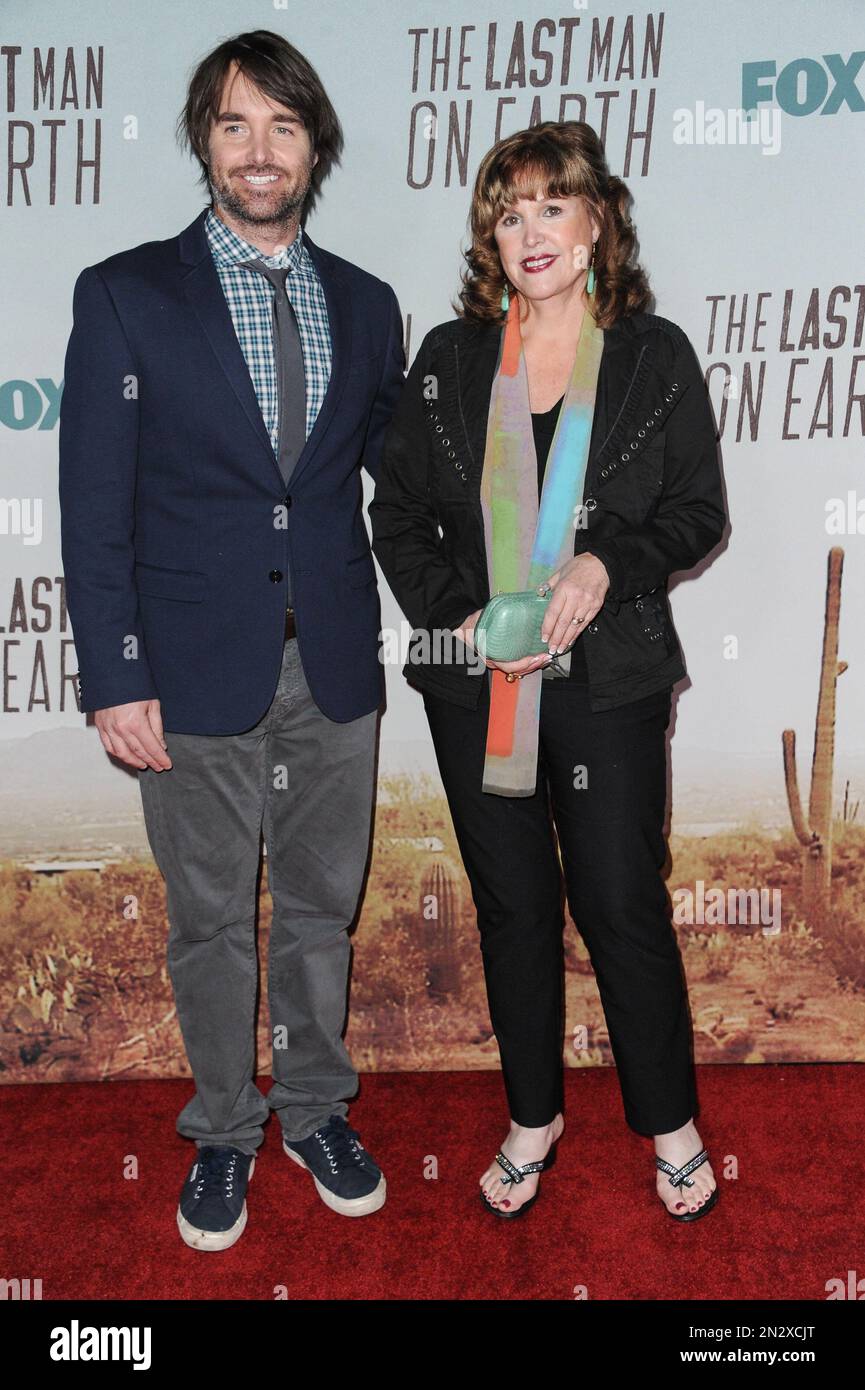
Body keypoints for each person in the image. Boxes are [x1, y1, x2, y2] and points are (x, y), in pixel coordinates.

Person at [59, 29, 406, 1250]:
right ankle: (221, 1128)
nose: (261, 152)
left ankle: (314, 1108)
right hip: (192, 665)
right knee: (208, 916)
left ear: (316, 146)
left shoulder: (368, 304)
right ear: (205, 140)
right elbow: (94, 505)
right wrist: (115, 674)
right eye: (234, 125)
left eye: (285, 126)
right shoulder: (126, 293)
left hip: (335, 664)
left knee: (321, 906)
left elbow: (394, 487)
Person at [370, 121, 727, 1221]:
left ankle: (670, 1122)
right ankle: (533, 1117)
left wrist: (603, 561)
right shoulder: (450, 359)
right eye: (507, 209)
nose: (527, 230)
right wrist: (467, 619)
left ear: (595, 222)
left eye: (549, 206)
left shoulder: (653, 355)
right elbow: (401, 517)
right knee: (512, 906)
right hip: (479, 684)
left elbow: (695, 515)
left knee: (621, 901)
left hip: (608, 679)